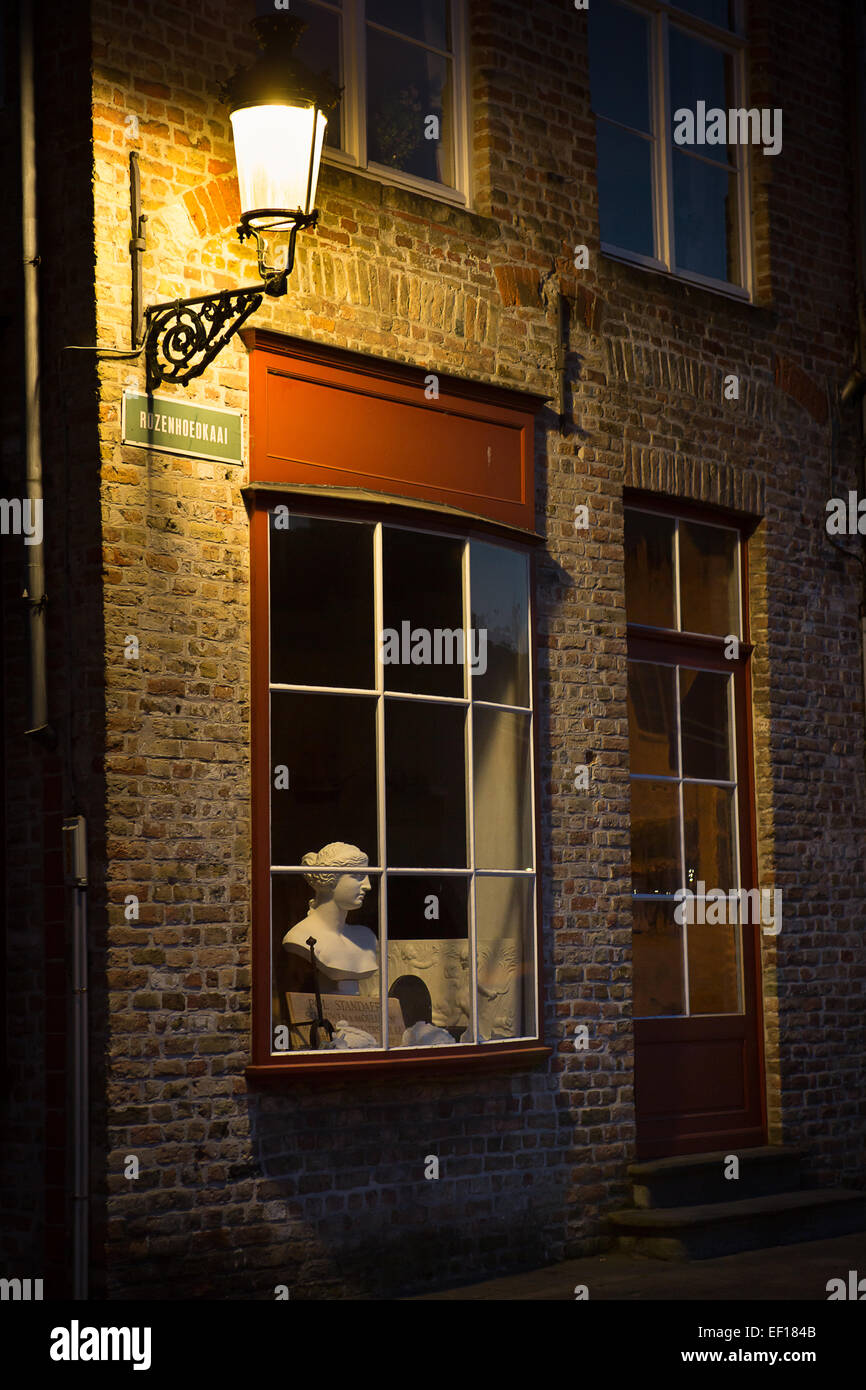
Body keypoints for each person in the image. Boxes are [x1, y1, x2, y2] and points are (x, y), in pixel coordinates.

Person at [282, 842, 378, 996]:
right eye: (358, 876)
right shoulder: (299, 937)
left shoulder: (366, 938)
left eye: (366, 876)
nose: (367, 885)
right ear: (330, 879)